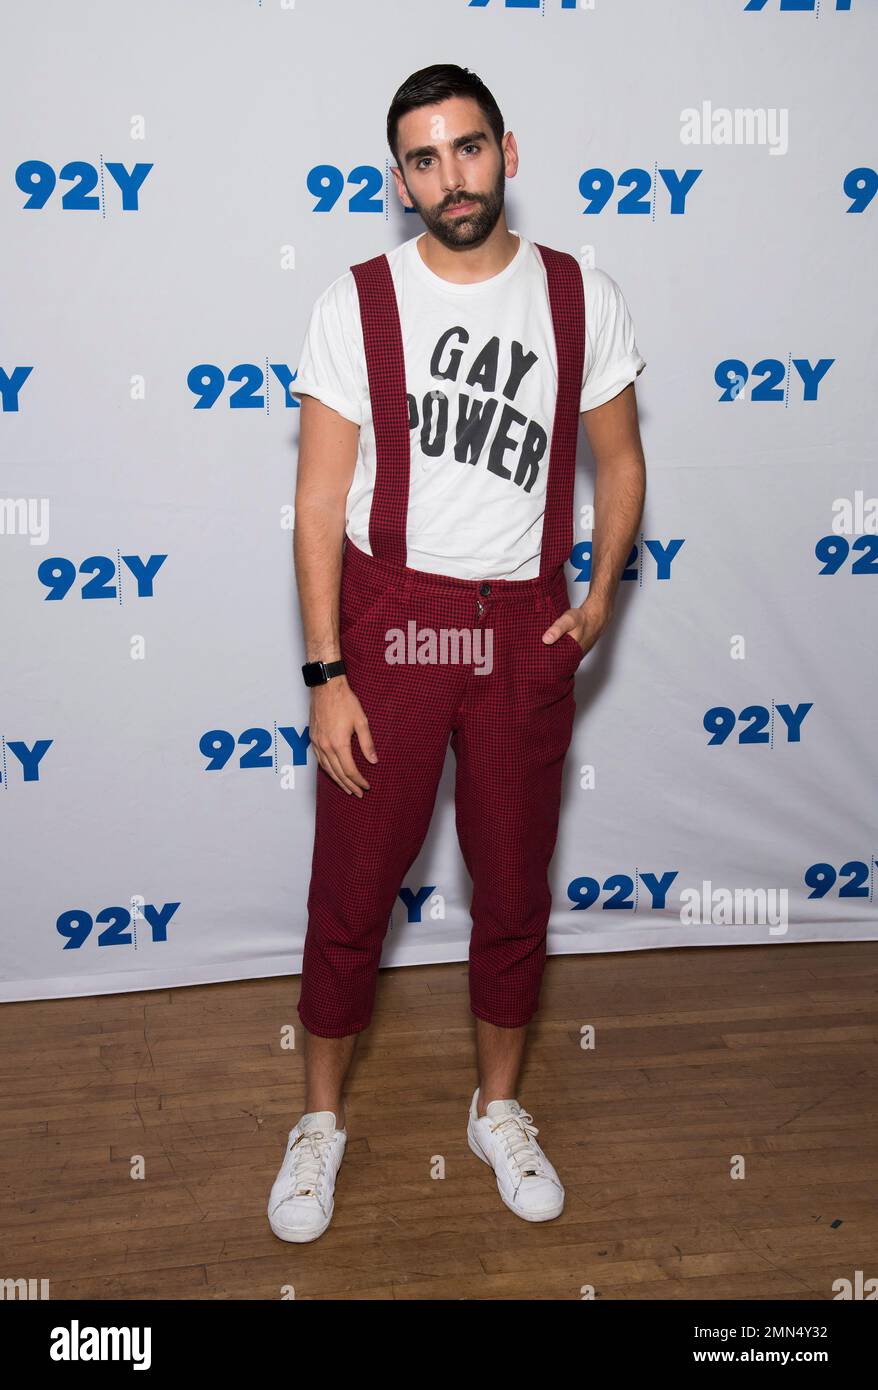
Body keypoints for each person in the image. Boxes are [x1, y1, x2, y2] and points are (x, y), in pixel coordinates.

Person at [268, 63, 646, 1243]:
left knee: (514, 887)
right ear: (400, 180)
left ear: (507, 152)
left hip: (520, 624)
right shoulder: (357, 300)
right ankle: (318, 1126)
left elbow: (621, 464)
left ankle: (497, 1106)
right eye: (424, 160)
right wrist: (326, 673)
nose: (451, 177)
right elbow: (319, 503)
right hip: (395, 625)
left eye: (468, 149)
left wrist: (594, 600)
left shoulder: (580, 297)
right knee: (352, 889)